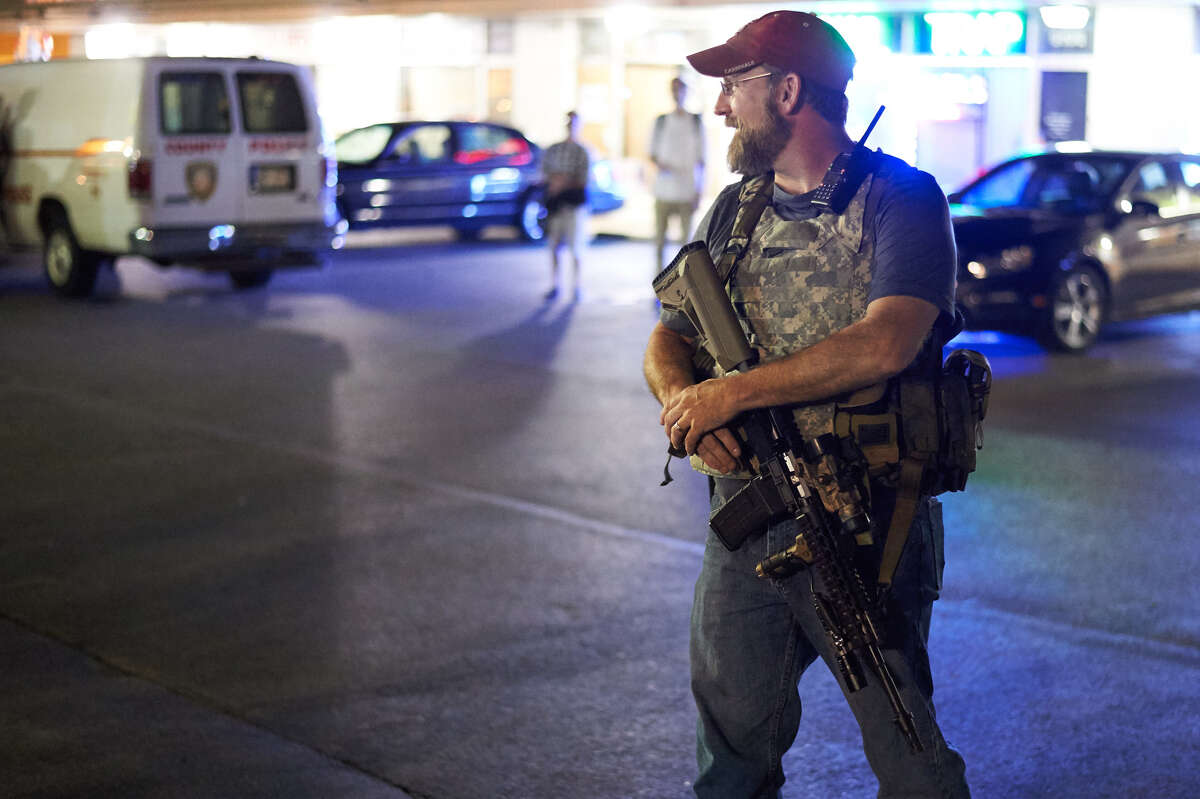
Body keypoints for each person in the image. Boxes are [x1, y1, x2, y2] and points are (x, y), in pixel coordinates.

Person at [641, 11, 972, 798]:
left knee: (909, 755)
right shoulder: (736, 208)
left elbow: (886, 341)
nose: (721, 106)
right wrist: (688, 403)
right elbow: (667, 337)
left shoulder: (903, 198)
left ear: (790, 91)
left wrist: (735, 390)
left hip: (866, 521)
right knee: (731, 760)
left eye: (735, 85)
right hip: (748, 519)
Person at [649, 77, 706, 273]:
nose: (677, 93)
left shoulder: (695, 122)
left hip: (686, 190)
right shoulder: (662, 121)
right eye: (674, 89)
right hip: (664, 190)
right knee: (659, 241)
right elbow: (652, 153)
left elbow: (702, 160)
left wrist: (699, 190)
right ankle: (659, 282)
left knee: (686, 243)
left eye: (680, 89)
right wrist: (661, 164)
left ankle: (686, 282)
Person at [541, 110, 590, 300]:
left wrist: (563, 182)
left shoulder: (583, 151)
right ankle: (555, 284)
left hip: (574, 205)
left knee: (576, 246)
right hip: (556, 206)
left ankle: (577, 285)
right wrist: (558, 182)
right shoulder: (554, 149)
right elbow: (545, 173)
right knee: (554, 245)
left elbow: (583, 179)